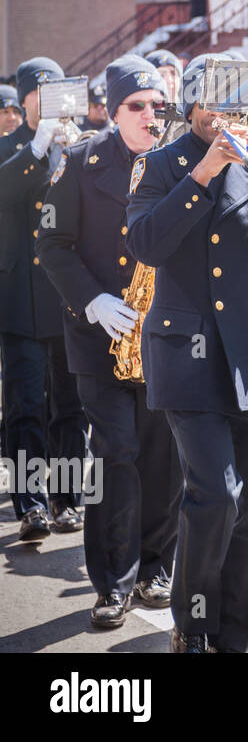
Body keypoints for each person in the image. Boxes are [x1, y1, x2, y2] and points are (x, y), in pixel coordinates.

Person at [126, 54, 248, 652]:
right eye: (220, 100)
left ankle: (237, 633)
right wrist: (203, 176)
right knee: (215, 494)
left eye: (242, 100)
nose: (232, 113)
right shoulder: (160, 165)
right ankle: (193, 624)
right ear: (193, 105)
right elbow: (145, 244)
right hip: (187, 356)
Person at [37, 55, 182, 628]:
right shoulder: (78, 162)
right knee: (115, 450)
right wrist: (93, 300)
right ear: (111, 110)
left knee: (162, 456)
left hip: (163, 333)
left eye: (157, 106)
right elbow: (53, 246)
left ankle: (156, 567)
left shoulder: (179, 163)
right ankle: (112, 581)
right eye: (137, 106)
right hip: (98, 335)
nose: (150, 115)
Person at [0, 57, 90, 541]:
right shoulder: (11, 146)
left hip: (68, 295)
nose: (51, 103)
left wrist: (79, 151)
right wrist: (37, 145)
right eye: (42, 93)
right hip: (19, 297)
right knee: (24, 406)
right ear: (26, 97)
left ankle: (69, 498)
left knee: (71, 405)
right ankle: (31, 505)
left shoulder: (78, 145)